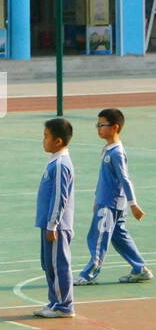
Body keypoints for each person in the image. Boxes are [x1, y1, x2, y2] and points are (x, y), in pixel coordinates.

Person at [77, 109, 152, 285]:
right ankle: (140, 269)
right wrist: (97, 199)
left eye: (102, 125)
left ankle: (90, 273)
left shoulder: (116, 153)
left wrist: (133, 204)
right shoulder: (108, 150)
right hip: (107, 202)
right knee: (120, 238)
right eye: (98, 125)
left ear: (115, 127)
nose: (98, 128)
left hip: (110, 205)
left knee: (98, 238)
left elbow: (124, 179)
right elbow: (105, 179)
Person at [35, 118, 76, 318]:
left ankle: (64, 305)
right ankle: (55, 301)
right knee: (48, 264)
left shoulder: (60, 164)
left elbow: (61, 196)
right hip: (48, 224)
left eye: (46, 136)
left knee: (58, 264)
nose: (43, 140)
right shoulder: (54, 162)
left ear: (58, 141)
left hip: (57, 226)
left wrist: (53, 223)